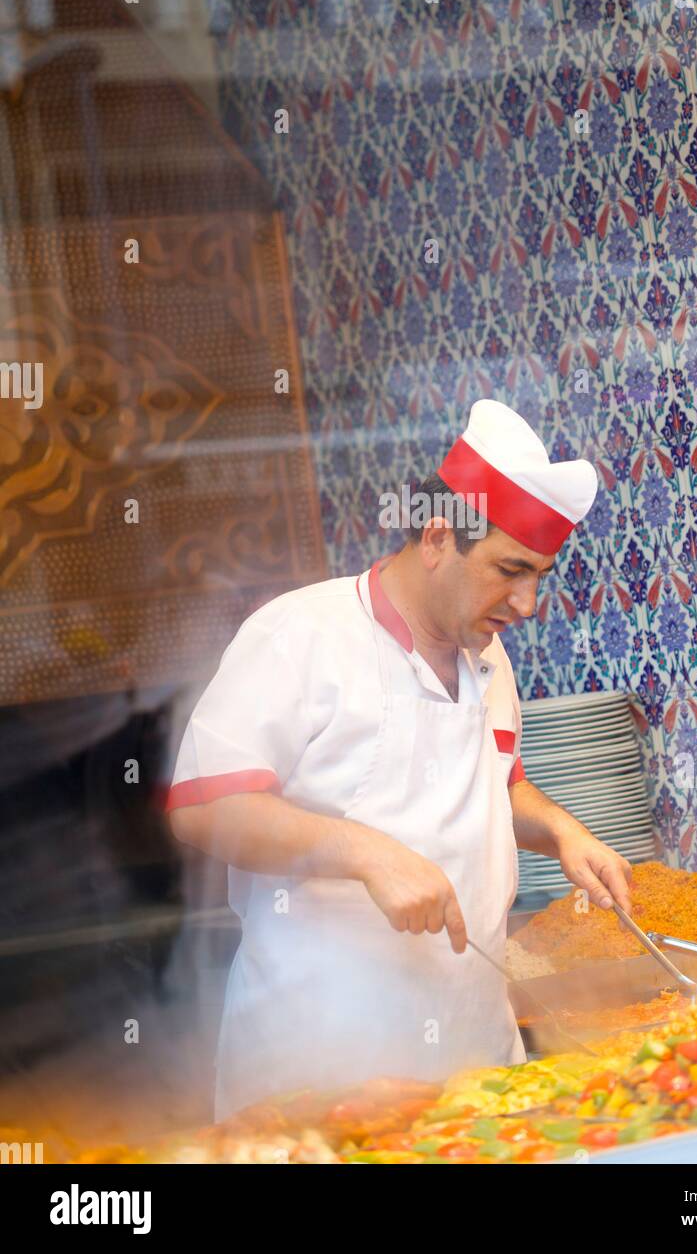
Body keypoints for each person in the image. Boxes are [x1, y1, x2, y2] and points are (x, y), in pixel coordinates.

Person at [167, 399, 633, 1119]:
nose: (529, 601)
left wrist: (564, 831)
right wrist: (365, 852)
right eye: (511, 570)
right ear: (439, 535)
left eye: (540, 574)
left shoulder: (487, 653)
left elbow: (497, 786)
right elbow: (203, 806)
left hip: (476, 1061)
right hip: (324, 1073)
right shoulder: (303, 635)